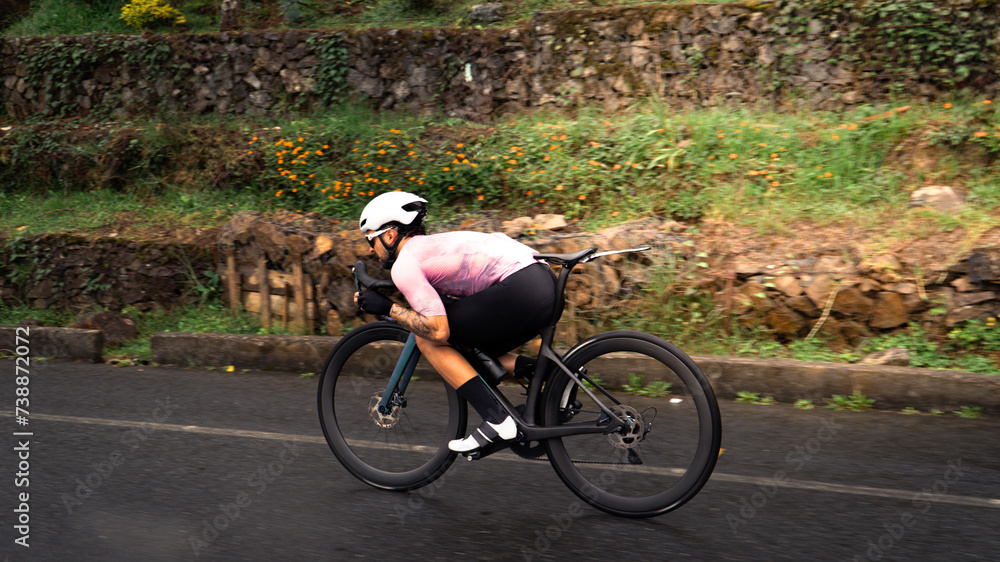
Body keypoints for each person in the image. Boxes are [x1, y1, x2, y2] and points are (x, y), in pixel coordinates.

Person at [353, 191, 556, 453]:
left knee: (430, 340)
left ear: (390, 235)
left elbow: (438, 330)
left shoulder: (405, 264)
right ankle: (549, 374)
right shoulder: (436, 245)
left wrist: (389, 308)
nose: (371, 248)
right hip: (543, 281)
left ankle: (497, 420)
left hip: (521, 289)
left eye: (372, 239)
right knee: (466, 349)